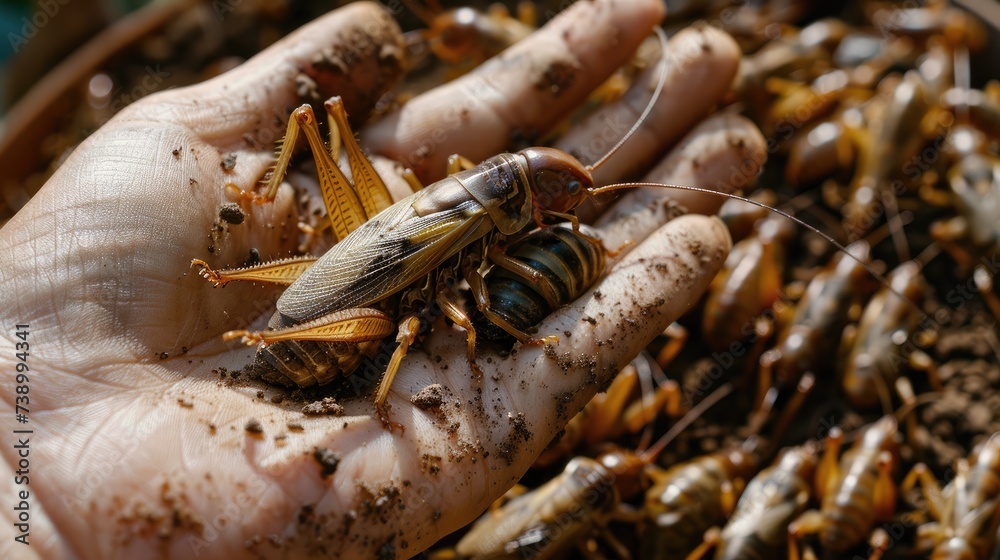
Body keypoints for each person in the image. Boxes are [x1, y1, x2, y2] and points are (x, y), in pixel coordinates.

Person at [0, 1, 738, 557]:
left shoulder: (470, 188)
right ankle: (258, 312)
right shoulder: (486, 229)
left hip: (338, 282)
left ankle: (252, 305)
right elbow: (460, 305)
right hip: (329, 329)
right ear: (521, 205)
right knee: (406, 309)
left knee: (357, 211)